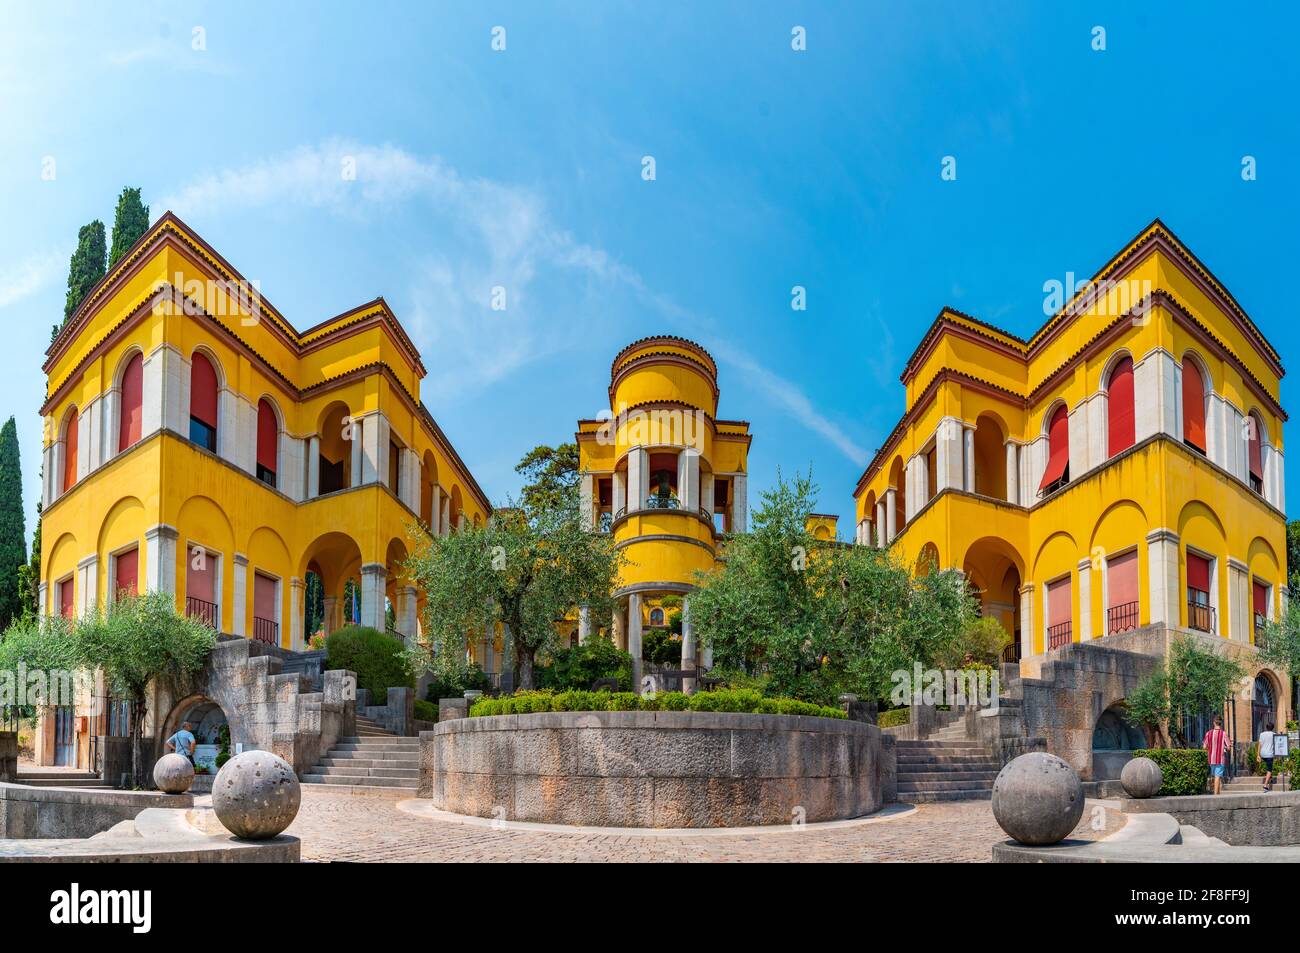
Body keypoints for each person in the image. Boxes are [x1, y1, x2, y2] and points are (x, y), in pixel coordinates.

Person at [1204, 715, 1228, 795]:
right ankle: (1215, 796)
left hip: (1211, 758)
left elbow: (1204, 746)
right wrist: (1224, 747)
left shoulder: (1208, 733)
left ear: (1214, 723)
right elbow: (1228, 747)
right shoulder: (1223, 733)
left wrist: (1210, 747)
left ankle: (1218, 794)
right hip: (1220, 758)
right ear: (1220, 723)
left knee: (1215, 776)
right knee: (1217, 776)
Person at [1258, 720, 1276, 793]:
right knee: (1269, 769)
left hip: (1262, 754)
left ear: (1266, 727)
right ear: (1272, 728)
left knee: (1269, 767)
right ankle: (1265, 785)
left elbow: (1259, 744)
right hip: (1269, 754)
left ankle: (1270, 778)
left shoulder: (1262, 734)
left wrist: (1258, 755)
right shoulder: (1274, 734)